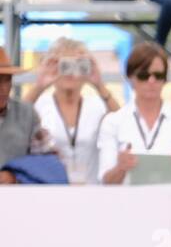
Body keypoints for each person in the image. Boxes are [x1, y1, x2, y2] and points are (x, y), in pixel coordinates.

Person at [97, 43, 171, 184]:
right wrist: (120, 168)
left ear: (165, 79)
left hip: (170, 203)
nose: (151, 81)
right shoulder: (112, 122)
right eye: (143, 75)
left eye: (158, 75)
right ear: (130, 77)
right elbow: (105, 181)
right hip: (126, 203)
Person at [23, 38, 119, 184]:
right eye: (64, 65)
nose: (70, 73)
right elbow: (14, 119)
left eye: (77, 65)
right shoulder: (40, 105)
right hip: (50, 191)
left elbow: (123, 124)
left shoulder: (97, 106)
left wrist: (100, 85)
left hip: (90, 191)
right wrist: (39, 86)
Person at [0, 47, 51, 167]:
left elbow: (46, 159)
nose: (3, 88)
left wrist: (16, 176)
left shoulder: (27, 113)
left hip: (14, 185)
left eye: (7, 80)